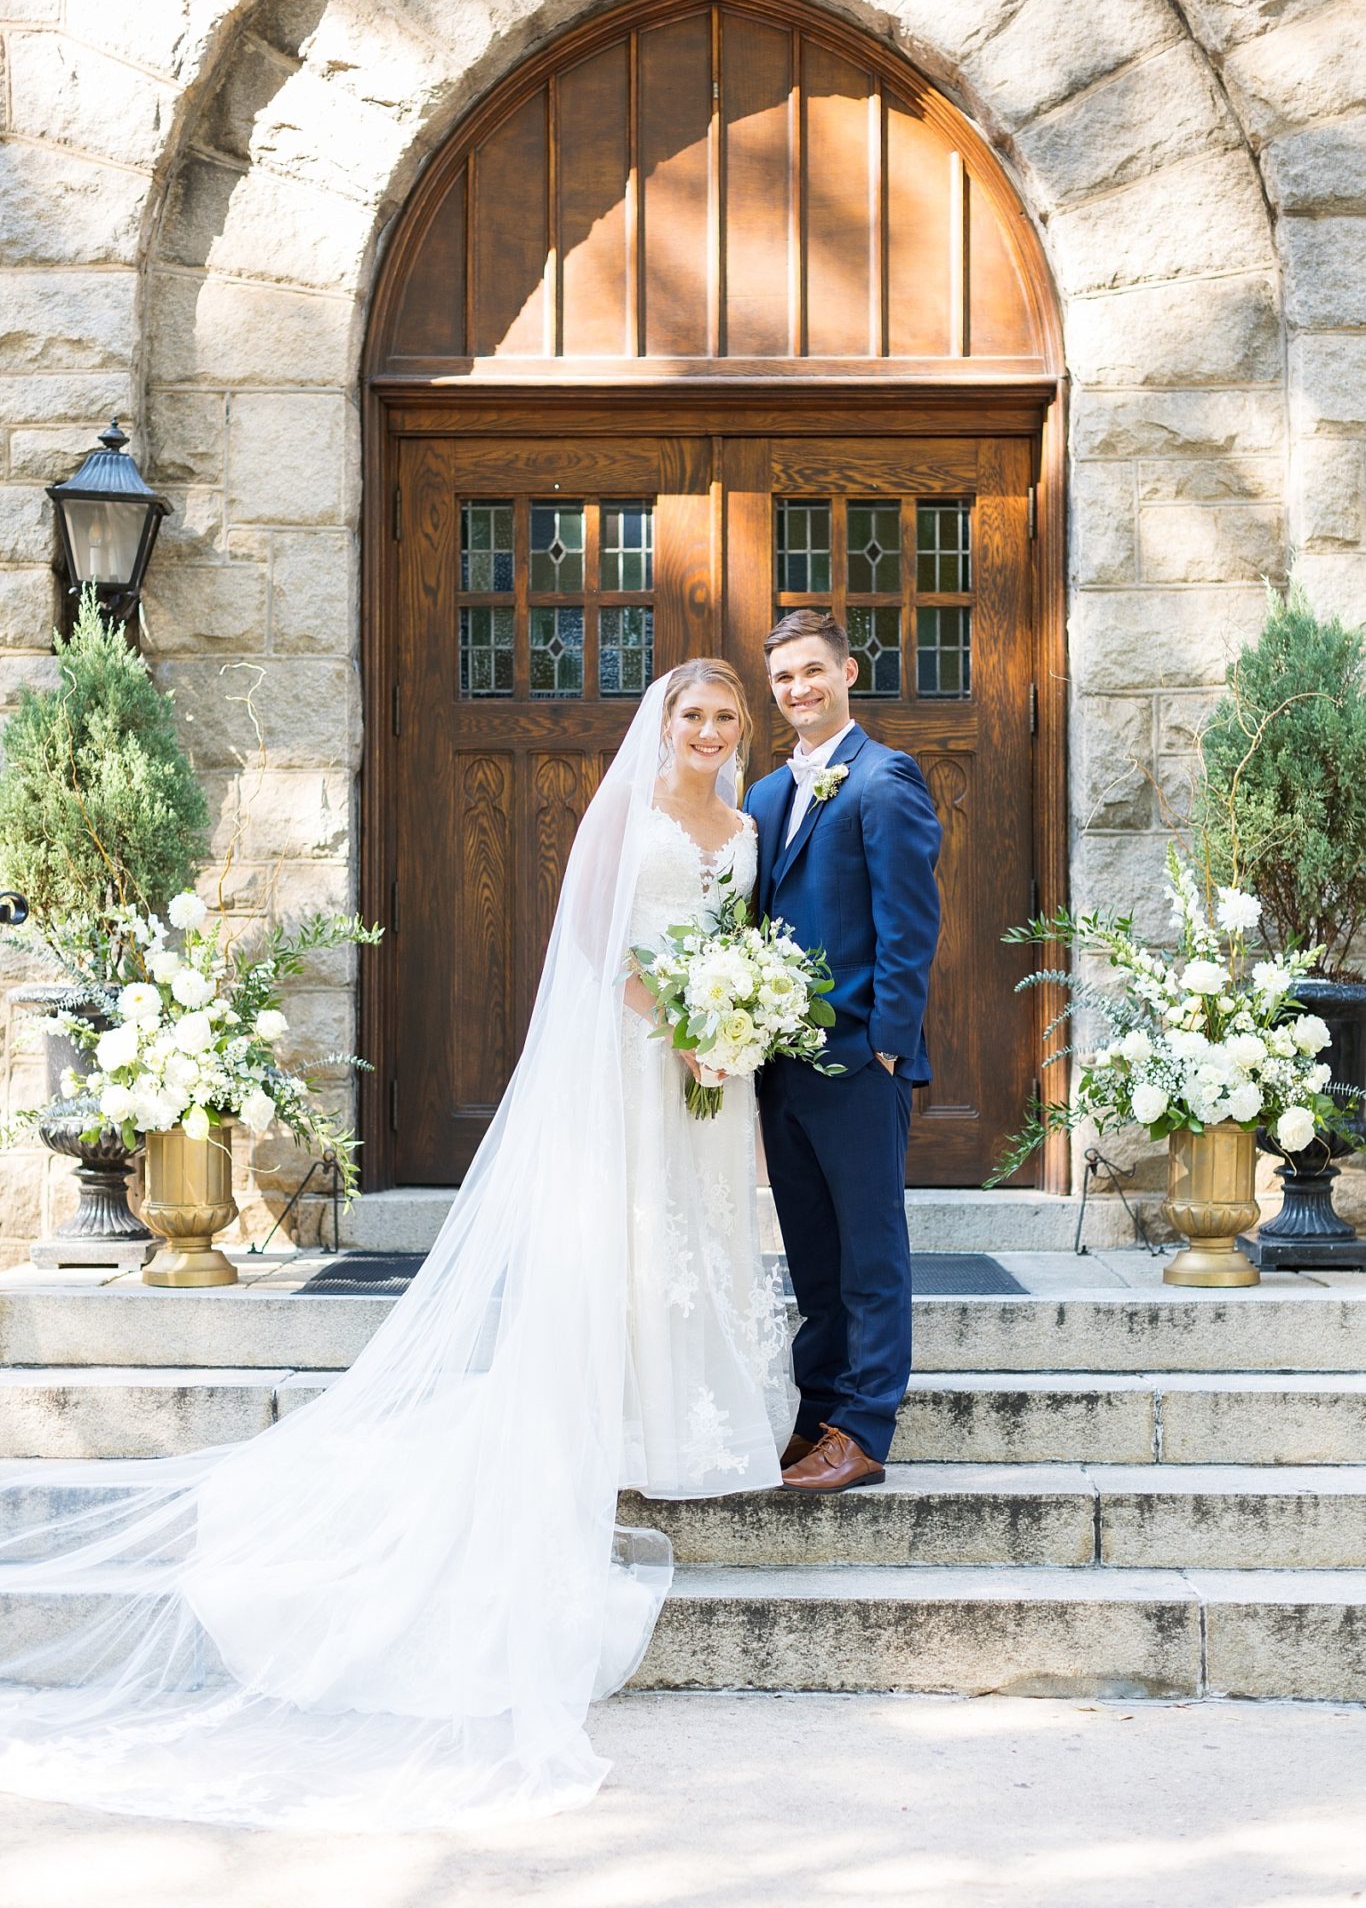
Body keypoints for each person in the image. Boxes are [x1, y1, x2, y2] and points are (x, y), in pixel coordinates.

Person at [0, 661, 785, 1833]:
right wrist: (675, 1020)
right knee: (623, 1239)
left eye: (727, 718)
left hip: (708, 1074)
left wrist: (732, 1025)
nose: (711, 731)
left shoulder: (746, 822)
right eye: (694, 715)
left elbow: (738, 934)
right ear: (663, 723)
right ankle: (609, 1419)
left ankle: (691, 1416)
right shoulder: (630, 806)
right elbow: (584, 937)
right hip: (631, 1059)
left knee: (699, 1236)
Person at [746, 612, 942, 1495]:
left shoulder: (883, 779)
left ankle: (863, 1430)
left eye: (813, 671)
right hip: (781, 1068)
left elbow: (911, 925)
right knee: (812, 1254)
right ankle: (817, 1412)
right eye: (785, 678)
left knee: (870, 1253)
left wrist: (890, 1049)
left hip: (860, 1062)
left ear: (848, 671)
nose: (799, 690)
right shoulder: (760, 796)